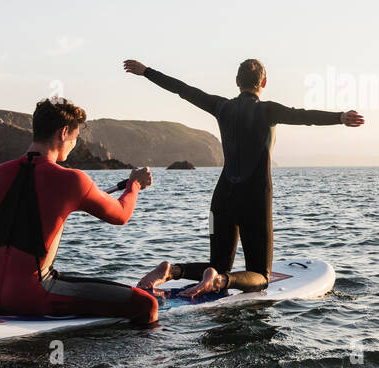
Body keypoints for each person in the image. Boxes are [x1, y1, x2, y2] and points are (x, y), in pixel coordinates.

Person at [123, 57, 363, 298]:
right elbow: (304, 116)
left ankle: (172, 271)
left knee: (217, 263)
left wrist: (146, 72)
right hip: (254, 198)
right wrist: (340, 117)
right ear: (264, 82)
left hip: (221, 199)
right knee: (260, 276)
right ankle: (217, 282)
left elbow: (183, 90)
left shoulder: (221, 106)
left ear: (237, 82)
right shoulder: (268, 110)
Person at [0, 97, 164, 322]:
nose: (74, 145)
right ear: (64, 132)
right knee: (147, 305)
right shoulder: (73, 180)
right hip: (35, 295)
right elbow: (121, 215)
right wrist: (134, 185)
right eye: (75, 138)